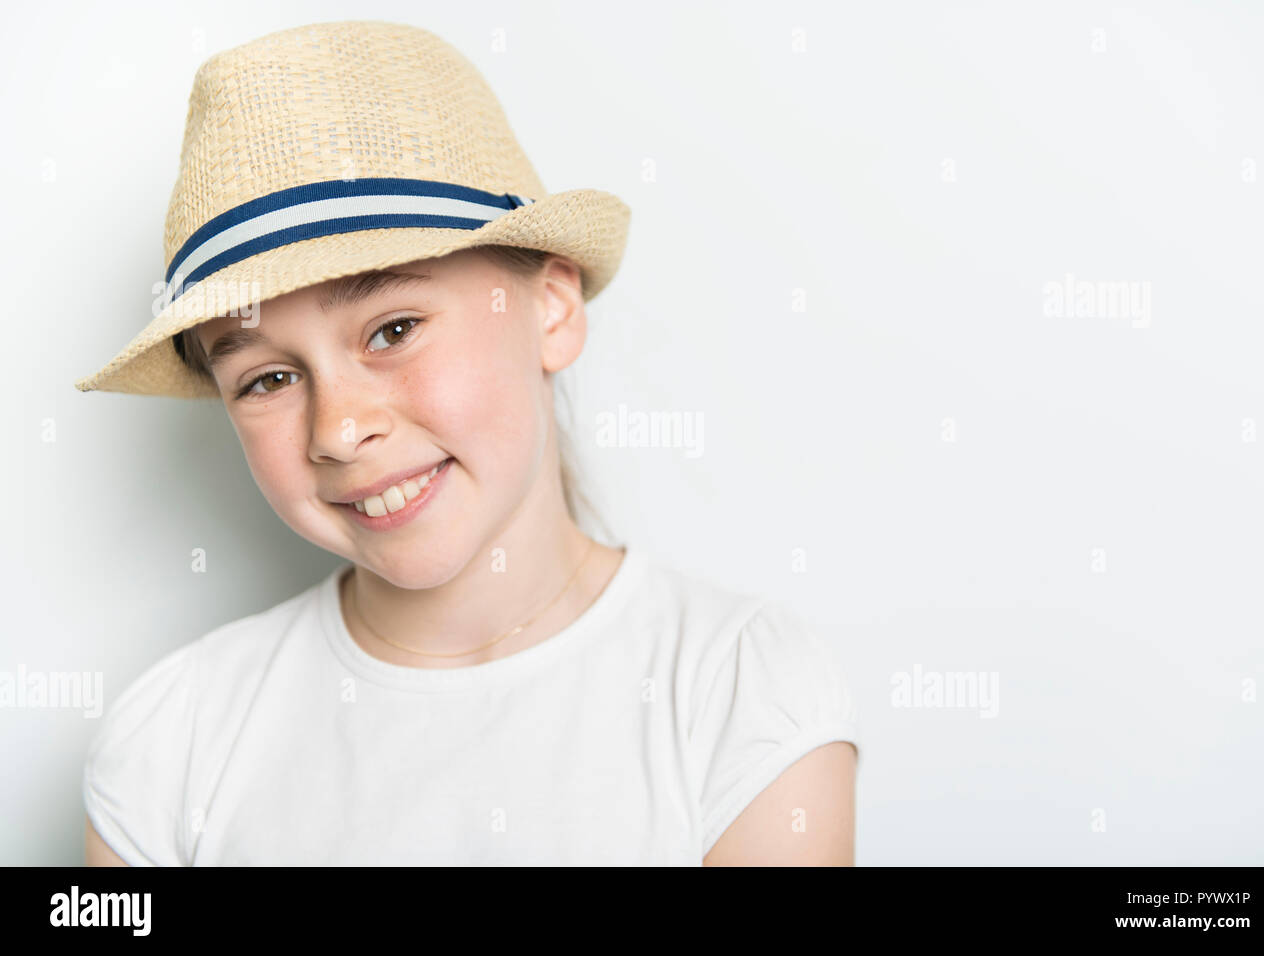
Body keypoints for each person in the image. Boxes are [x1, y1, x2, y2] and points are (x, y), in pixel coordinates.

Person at [74, 19, 860, 866]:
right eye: (268, 379)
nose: (340, 430)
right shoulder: (173, 743)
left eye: (394, 328)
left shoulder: (738, 693)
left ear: (551, 309)